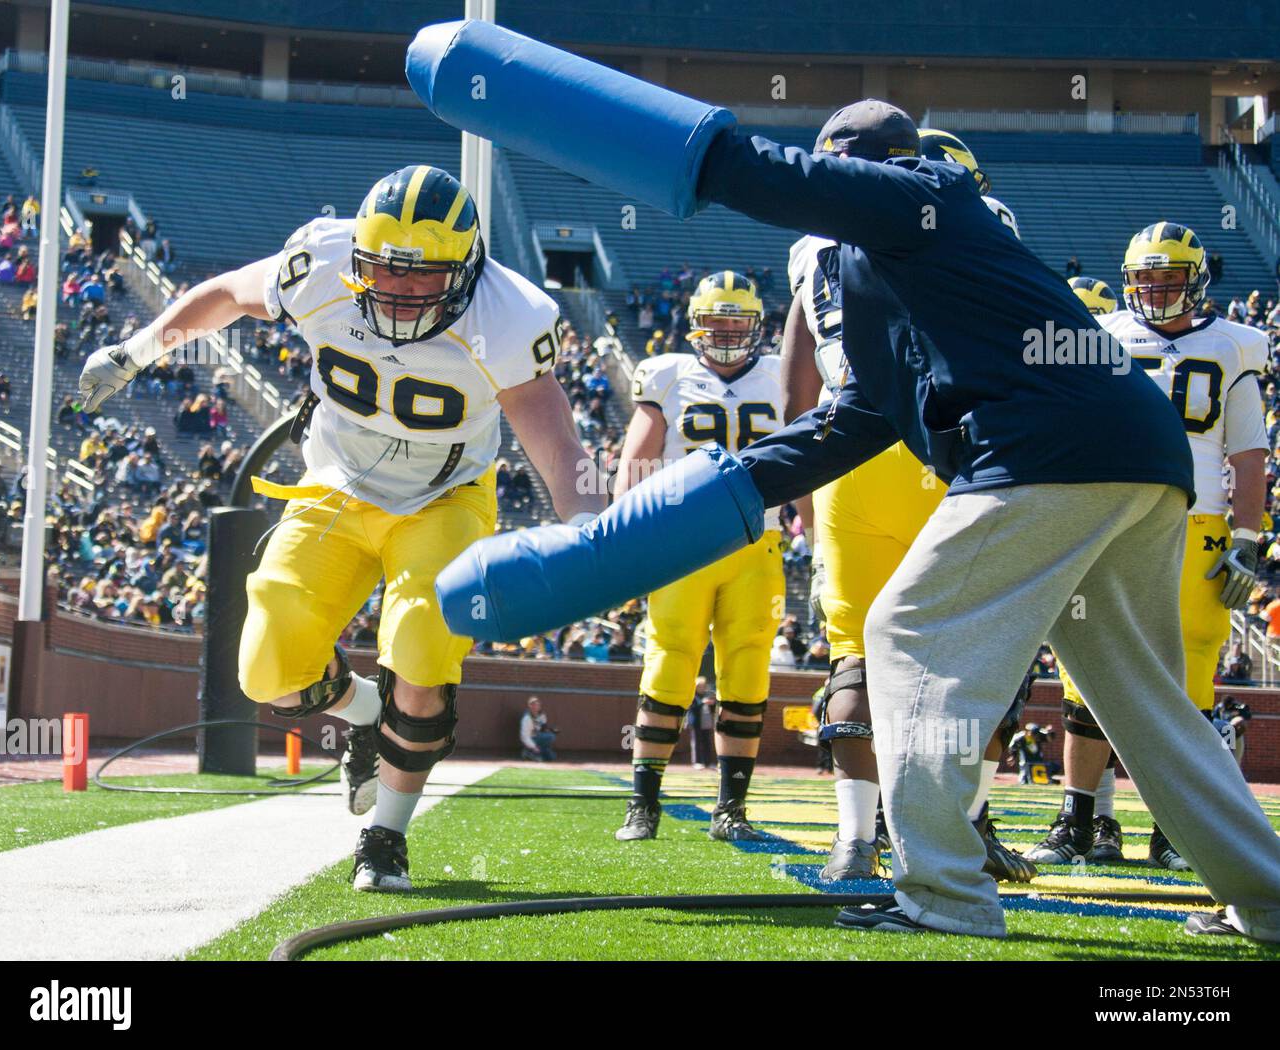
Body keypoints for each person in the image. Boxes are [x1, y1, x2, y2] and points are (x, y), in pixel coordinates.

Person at [431, 60, 1280, 942]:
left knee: (901, 630)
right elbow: (857, 419)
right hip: (1135, 455)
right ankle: (1266, 894)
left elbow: (771, 175)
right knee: (1140, 696)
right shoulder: (903, 279)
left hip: (1052, 452)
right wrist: (722, 494)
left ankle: (943, 892)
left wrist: (668, 144)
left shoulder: (921, 195)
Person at [78, 165, 604, 894]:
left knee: (422, 641)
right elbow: (229, 294)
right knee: (268, 667)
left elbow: (559, 451)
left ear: (469, 268)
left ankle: (384, 836)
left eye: (423, 277)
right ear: (357, 255)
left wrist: (599, 540)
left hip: (444, 496)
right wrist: (135, 352)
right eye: (384, 268)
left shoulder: (506, 317)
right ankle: (365, 715)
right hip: (335, 483)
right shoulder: (321, 262)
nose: (399, 288)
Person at [782, 128, 1035, 884]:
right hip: (957, 450)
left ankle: (855, 839)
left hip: (848, 456)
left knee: (854, 648)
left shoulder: (813, 244)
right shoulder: (984, 214)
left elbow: (796, 377)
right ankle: (964, 829)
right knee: (981, 650)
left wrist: (802, 486)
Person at [1025, 223, 1268, 874]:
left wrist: (1248, 538)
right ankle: (1078, 822)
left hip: (1197, 523)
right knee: (1086, 675)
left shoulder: (1235, 345)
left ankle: (1176, 831)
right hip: (1108, 520)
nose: (1156, 290)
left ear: (1196, 279)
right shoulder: (1099, 339)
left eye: (1168, 277)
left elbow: (1249, 454)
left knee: (1190, 680)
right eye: (1146, 278)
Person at [613, 271, 785, 844]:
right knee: (669, 659)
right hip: (682, 539)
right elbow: (635, 462)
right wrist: (626, 531)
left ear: (758, 326)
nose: (729, 333)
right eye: (718, 323)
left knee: (747, 665)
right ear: (694, 327)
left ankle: (731, 807)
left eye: (738, 323)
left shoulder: (784, 375)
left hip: (757, 540)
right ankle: (644, 803)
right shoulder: (667, 376)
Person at [520, 696, 557, 761]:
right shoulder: (527, 718)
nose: (536, 707)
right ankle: (528, 751)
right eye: (534, 705)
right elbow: (525, 737)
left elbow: (543, 728)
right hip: (531, 739)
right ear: (530, 706)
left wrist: (551, 730)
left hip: (538, 737)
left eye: (538, 705)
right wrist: (534, 747)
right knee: (551, 736)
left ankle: (535, 754)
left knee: (552, 757)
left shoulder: (542, 715)